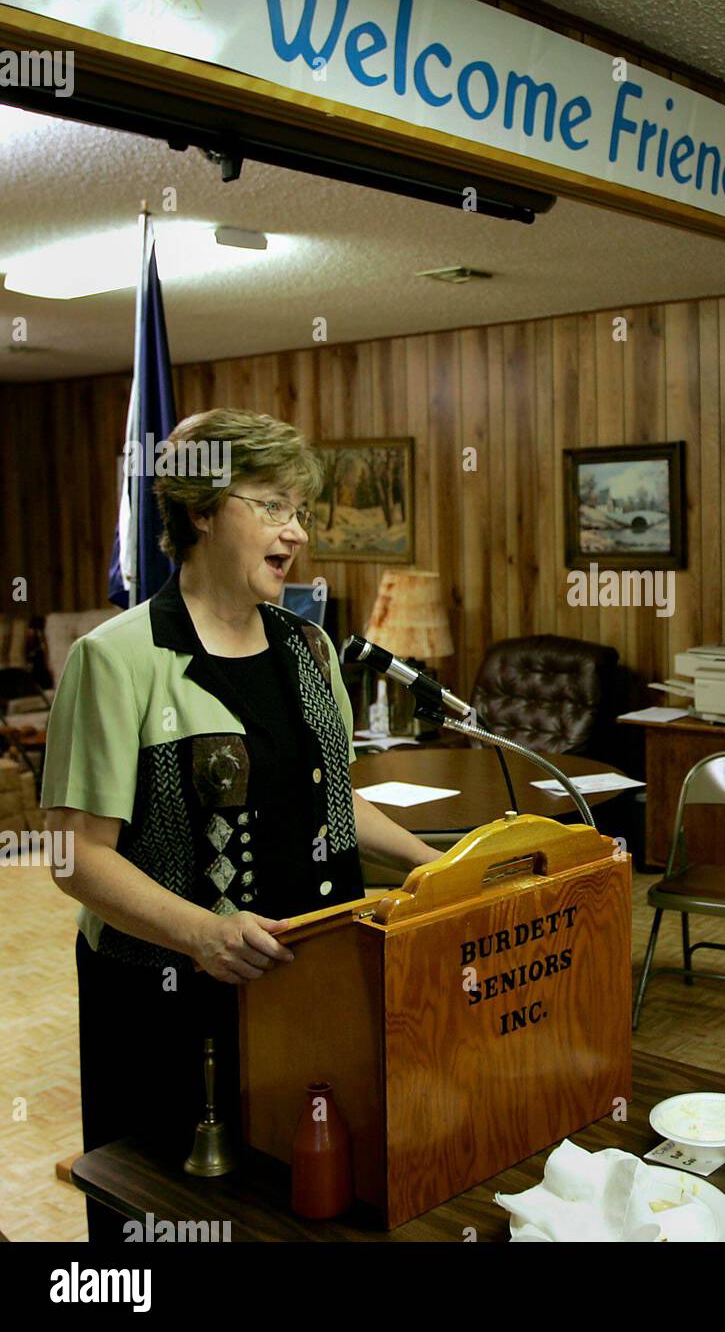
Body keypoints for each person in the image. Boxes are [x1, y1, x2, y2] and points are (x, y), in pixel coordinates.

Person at [42, 410, 442, 1241]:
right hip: (167, 1004)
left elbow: (332, 800)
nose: (295, 531)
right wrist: (203, 934)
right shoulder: (118, 658)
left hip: (312, 985)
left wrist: (438, 866)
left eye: (300, 511)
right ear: (198, 510)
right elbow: (76, 856)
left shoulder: (309, 649)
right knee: (175, 1222)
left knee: (296, 1202)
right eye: (270, 506)